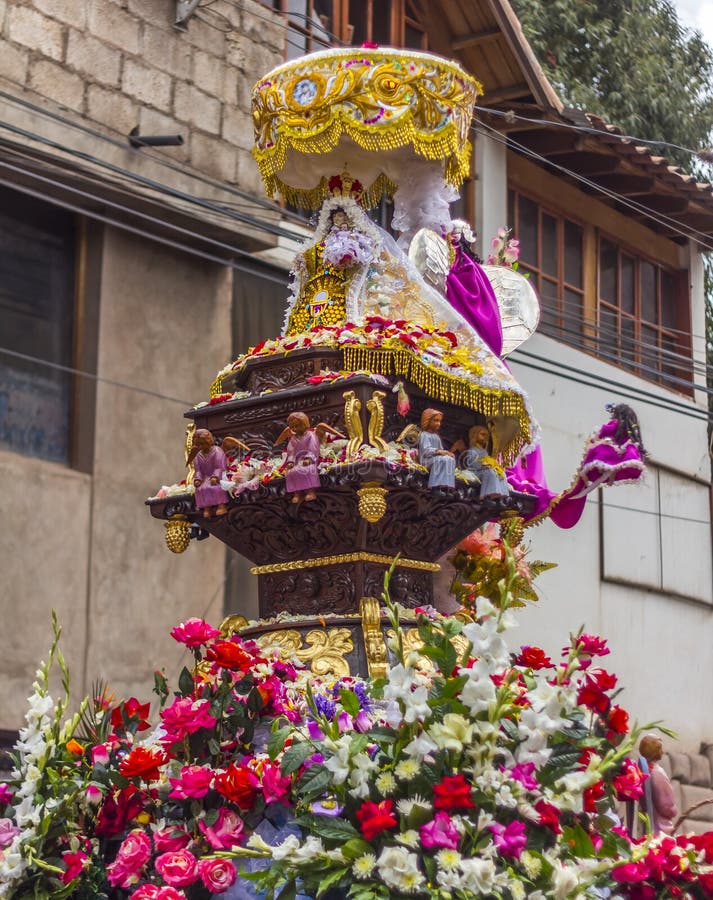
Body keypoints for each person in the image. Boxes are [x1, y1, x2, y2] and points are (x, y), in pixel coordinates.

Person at [639, 734, 677, 835]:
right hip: (662, 829)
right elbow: (666, 806)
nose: (662, 752)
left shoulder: (645, 771)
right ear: (654, 751)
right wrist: (673, 810)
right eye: (660, 748)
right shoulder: (657, 772)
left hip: (650, 825)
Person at [188, 429, 230, 518]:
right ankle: (207, 508)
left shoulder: (217, 451)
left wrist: (215, 477)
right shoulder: (198, 456)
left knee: (216, 487)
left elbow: (219, 466)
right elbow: (198, 470)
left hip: (217, 477)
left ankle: (221, 506)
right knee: (201, 488)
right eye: (199, 445)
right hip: (205, 478)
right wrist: (198, 479)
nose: (201, 446)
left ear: (209, 441)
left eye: (203, 444)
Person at [282, 412, 321, 504]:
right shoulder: (293, 439)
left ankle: (310, 491)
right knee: (291, 472)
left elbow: (313, 448)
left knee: (308, 469)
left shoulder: (311, 436)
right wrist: (290, 461)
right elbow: (291, 451)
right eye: (293, 427)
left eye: (297, 426)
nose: (295, 429)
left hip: (309, 460)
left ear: (305, 424)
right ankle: (297, 493)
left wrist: (308, 458)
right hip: (297, 461)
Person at [462, 424, 510, 500]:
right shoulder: (472, 450)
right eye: (482, 434)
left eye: (486, 435)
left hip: (484, 469)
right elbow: (471, 463)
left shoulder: (484, 451)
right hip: (475, 472)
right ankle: (487, 495)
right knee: (490, 472)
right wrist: (481, 465)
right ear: (474, 435)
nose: (485, 437)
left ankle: (502, 494)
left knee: (501, 473)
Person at [418, 408, 455, 489]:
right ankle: (435, 486)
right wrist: (439, 451)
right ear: (428, 421)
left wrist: (447, 453)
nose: (438, 423)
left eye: (439, 421)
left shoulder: (436, 437)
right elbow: (426, 451)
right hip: (426, 460)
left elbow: (441, 451)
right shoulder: (424, 435)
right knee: (442, 460)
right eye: (435, 420)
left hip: (435, 458)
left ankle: (447, 486)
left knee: (450, 459)